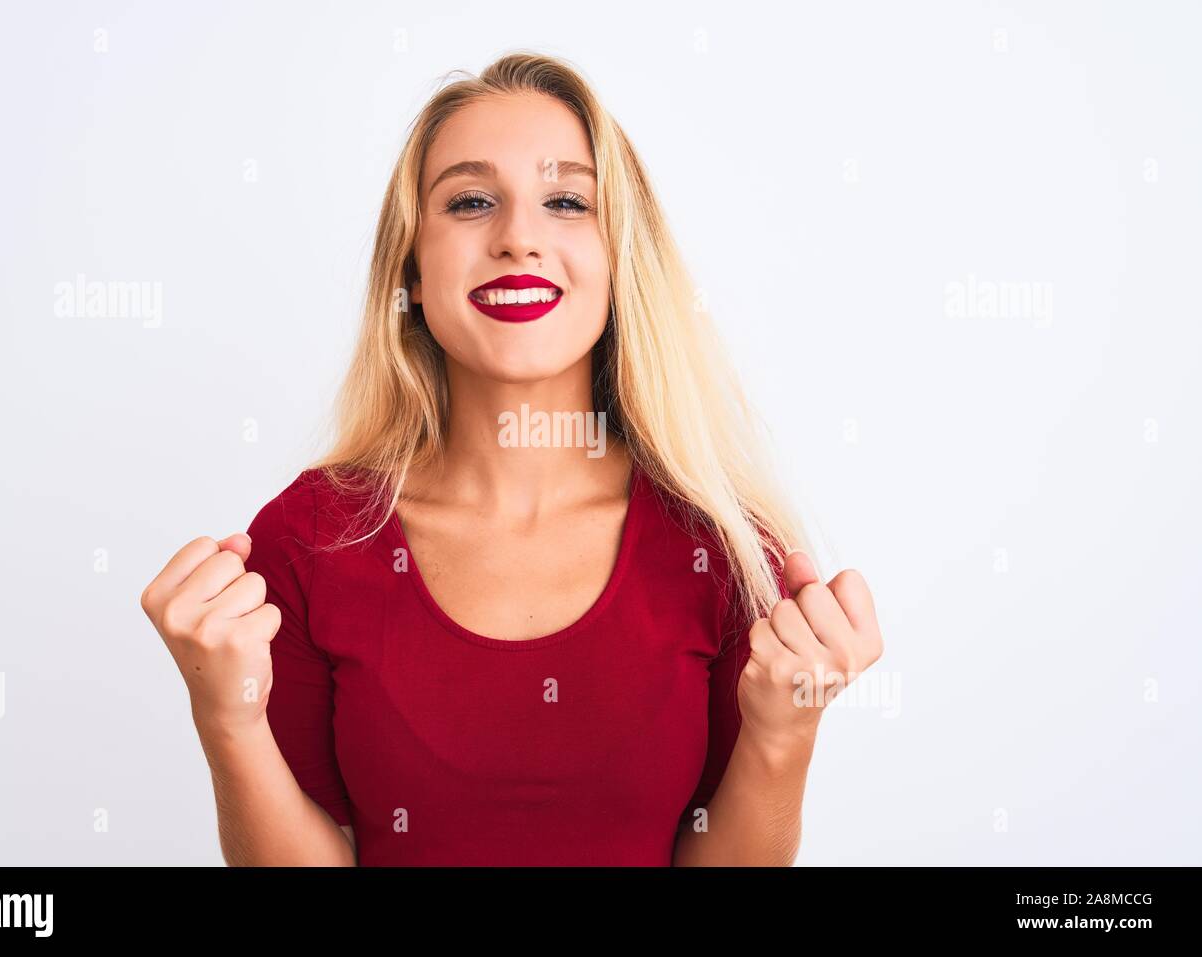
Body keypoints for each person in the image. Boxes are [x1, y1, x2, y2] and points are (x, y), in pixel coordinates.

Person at [139, 52, 883, 866]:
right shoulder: (306, 540)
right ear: (413, 272)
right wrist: (226, 720)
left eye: (566, 200)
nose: (518, 237)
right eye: (470, 201)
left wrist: (785, 733)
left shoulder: (727, 553)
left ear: (618, 263)